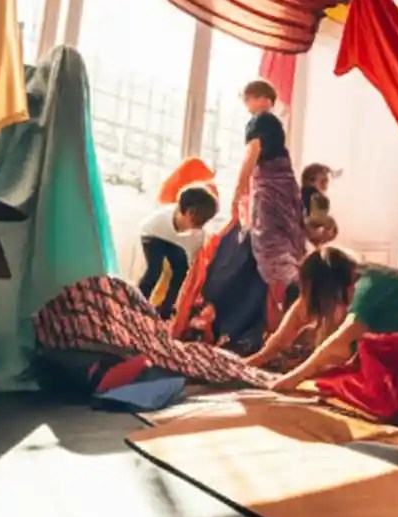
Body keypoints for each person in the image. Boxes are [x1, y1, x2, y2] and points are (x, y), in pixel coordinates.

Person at [259, 246, 398, 399]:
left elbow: (340, 342)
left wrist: (293, 379)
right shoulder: (352, 281)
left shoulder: (366, 287)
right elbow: (301, 309)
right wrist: (262, 356)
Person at [233, 79, 306, 331]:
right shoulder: (274, 123)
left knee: (269, 246)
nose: (246, 106)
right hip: (286, 189)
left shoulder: (260, 120)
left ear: (257, 97)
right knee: (287, 243)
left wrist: (239, 189)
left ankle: (294, 295)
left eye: (246, 100)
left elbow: (252, 152)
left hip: (271, 189)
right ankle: (295, 307)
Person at [137, 184, 218, 316]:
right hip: (152, 235)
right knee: (154, 270)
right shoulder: (159, 221)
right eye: (199, 221)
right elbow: (145, 233)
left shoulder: (197, 234)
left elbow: (192, 263)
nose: (199, 226)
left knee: (181, 270)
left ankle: (165, 309)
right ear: (189, 213)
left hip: (175, 242)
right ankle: (137, 303)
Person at [300, 163, 339, 245]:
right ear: (311, 180)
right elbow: (315, 222)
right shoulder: (315, 196)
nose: (326, 185)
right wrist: (329, 223)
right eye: (323, 181)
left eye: (326, 181)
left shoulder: (299, 194)